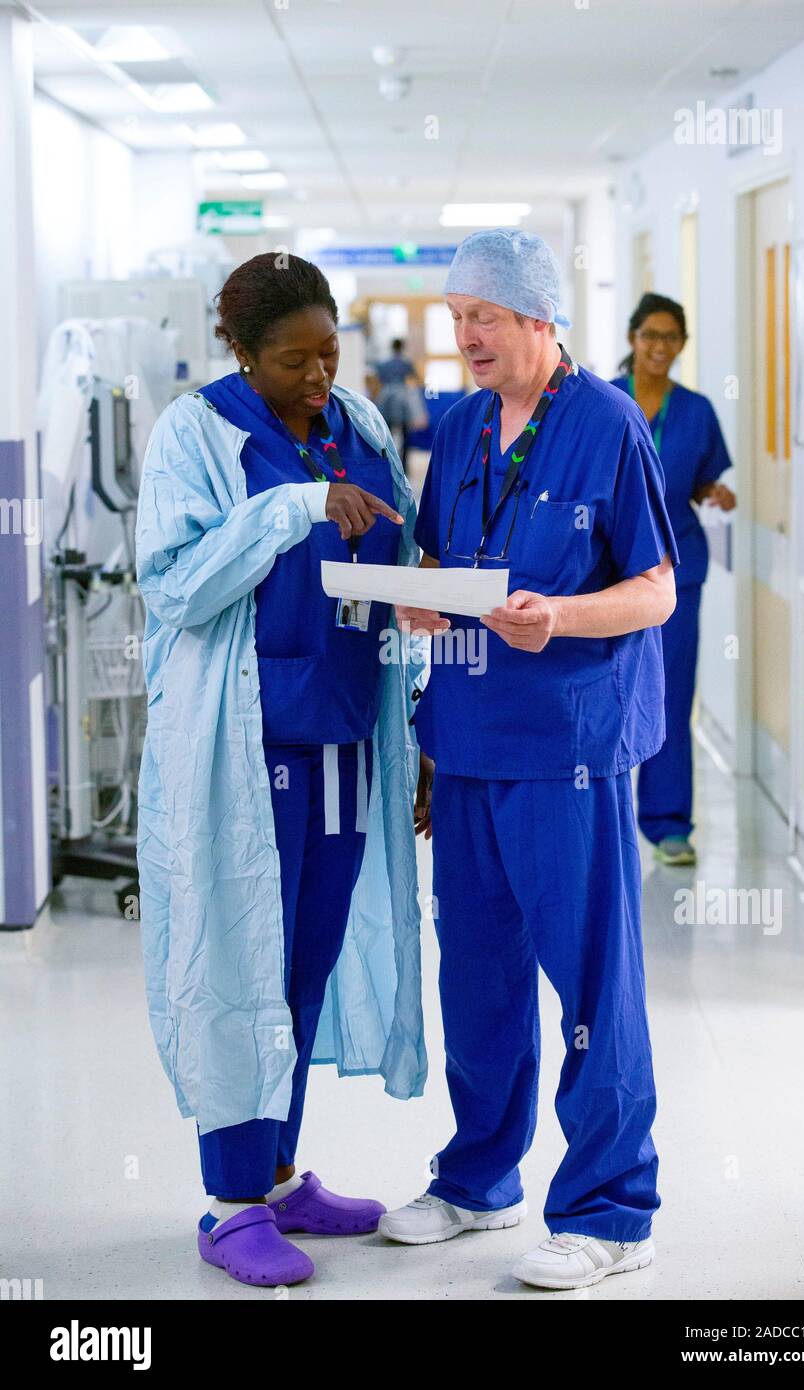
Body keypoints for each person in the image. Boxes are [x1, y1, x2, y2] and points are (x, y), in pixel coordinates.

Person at [379, 229, 679, 1291]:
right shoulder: (457, 428)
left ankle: (610, 1210)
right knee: (479, 975)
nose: (465, 336)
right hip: (464, 745)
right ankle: (477, 1179)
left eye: (486, 318)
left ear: (540, 319)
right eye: (458, 317)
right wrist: (416, 597)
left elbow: (652, 587)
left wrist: (559, 615)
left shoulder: (604, 426)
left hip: (569, 750)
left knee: (589, 981)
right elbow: (436, 560)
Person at [135, 253, 428, 1289]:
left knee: (302, 965)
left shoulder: (358, 423)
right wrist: (291, 509)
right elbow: (173, 585)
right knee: (240, 964)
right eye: (293, 359)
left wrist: (422, 710)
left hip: (348, 735)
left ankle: (276, 1168)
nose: (318, 374)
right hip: (246, 747)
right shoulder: (197, 434)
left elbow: (395, 564)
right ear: (243, 354)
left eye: (328, 349)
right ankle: (227, 1204)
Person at [611, 293, 736, 865]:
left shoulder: (697, 410)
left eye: (671, 338)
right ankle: (602, 818)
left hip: (677, 570)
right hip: (605, 574)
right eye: (649, 336)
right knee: (604, 692)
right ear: (633, 338)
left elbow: (698, 478)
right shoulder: (602, 403)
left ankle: (667, 824)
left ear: (682, 345)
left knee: (669, 694)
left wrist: (713, 492)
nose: (659, 347)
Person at [371, 338, 421, 469]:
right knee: (405, 435)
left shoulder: (383, 364)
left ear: (391, 347)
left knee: (386, 435)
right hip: (402, 398)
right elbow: (416, 378)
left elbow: (377, 380)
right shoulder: (406, 363)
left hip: (386, 397)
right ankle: (404, 467)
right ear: (402, 347)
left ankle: (387, 465)